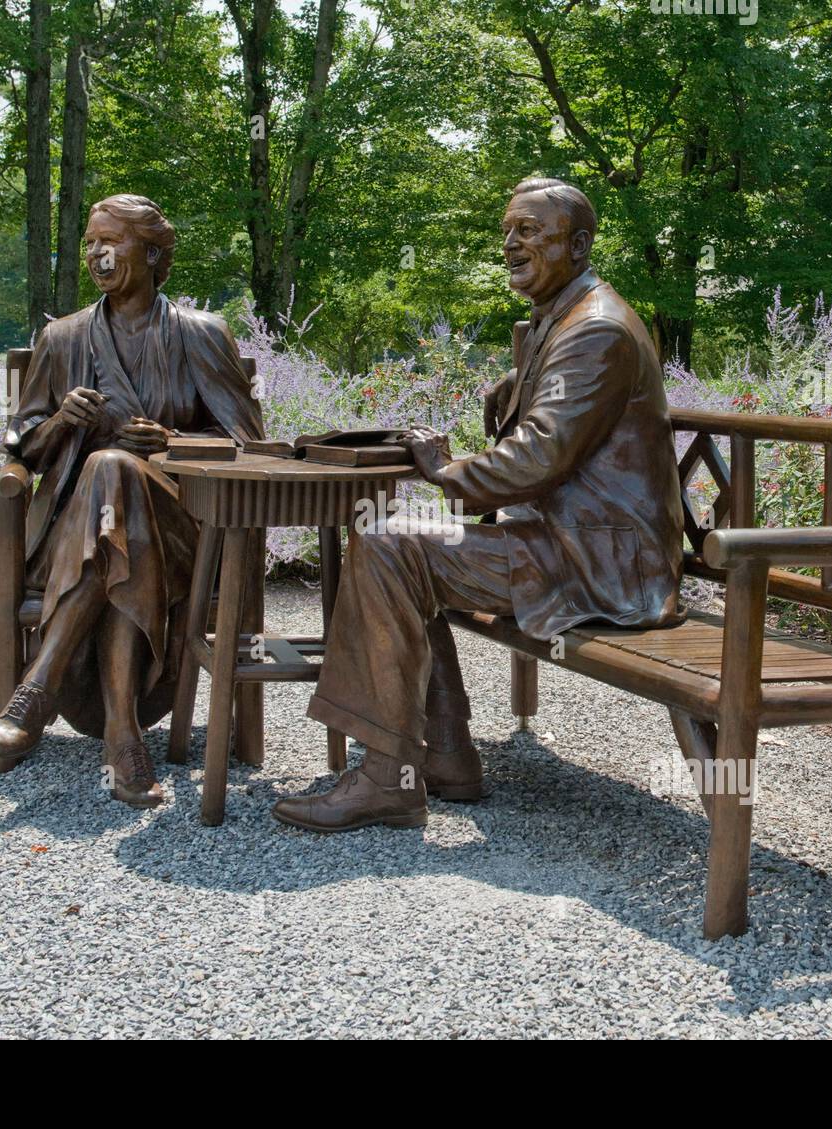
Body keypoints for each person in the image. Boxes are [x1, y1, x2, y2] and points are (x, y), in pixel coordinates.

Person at [273, 177, 685, 833]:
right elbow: (565, 405)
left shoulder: (596, 331)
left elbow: (538, 458)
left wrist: (444, 469)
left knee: (387, 542)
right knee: (398, 546)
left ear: (578, 246)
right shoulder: (568, 318)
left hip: (598, 562)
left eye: (529, 231)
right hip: (572, 543)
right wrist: (520, 378)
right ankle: (445, 756)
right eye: (507, 231)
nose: (510, 244)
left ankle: (388, 778)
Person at [0, 194, 263, 807]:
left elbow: (250, 443)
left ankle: (39, 685)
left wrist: (175, 440)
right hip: (80, 534)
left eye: (112, 241)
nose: (97, 254)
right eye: (89, 242)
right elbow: (21, 447)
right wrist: (60, 421)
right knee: (111, 491)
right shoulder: (63, 338)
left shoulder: (200, 335)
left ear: (153, 253)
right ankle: (122, 733)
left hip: (184, 529)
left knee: (115, 472)